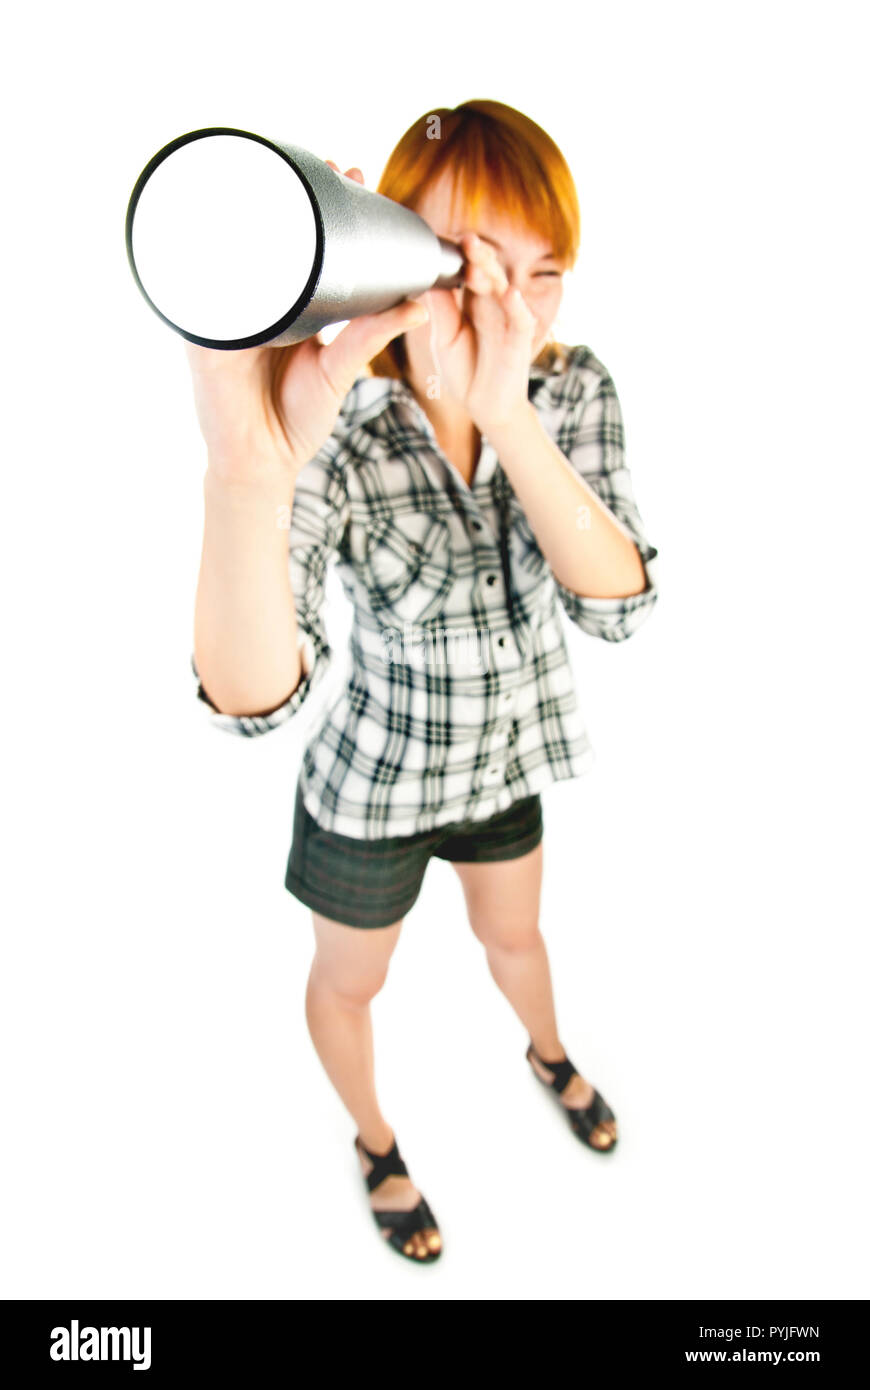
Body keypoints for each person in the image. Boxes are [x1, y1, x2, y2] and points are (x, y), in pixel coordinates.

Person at [186, 100, 659, 1265]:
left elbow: (621, 603)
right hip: (374, 785)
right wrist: (248, 470)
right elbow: (256, 701)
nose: (515, 303)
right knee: (351, 984)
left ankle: (548, 1053)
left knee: (519, 942)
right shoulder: (335, 421)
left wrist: (507, 411)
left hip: (507, 760)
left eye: (545, 271)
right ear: (391, 258)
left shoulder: (571, 385)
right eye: (470, 262)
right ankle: (376, 1141)